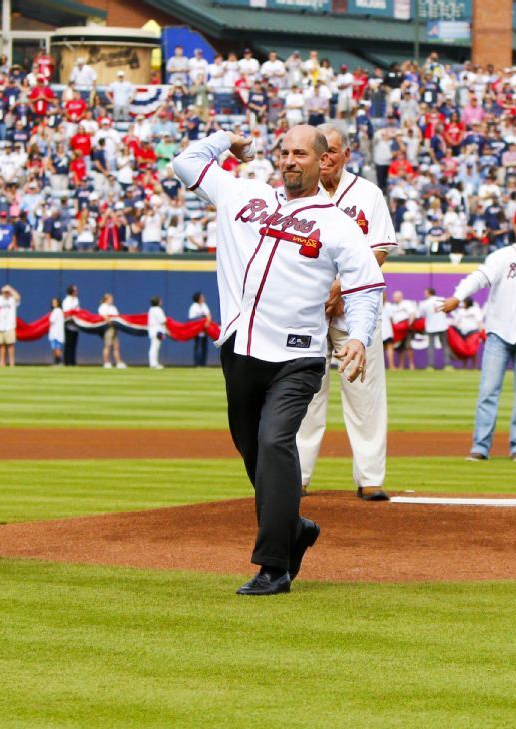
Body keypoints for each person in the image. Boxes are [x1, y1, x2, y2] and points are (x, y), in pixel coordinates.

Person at [173, 125, 384, 596]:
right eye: (284, 152)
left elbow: (366, 286)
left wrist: (361, 337)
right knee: (256, 456)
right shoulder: (243, 194)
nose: (290, 160)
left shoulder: (337, 224)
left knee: (274, 443)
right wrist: (225, 139)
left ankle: (274, 566)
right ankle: (295, 528)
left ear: (323, 161)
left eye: (301, 154)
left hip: (298, 357)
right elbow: (184, 163)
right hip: (240, 350)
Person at [296, 124, 398, 502]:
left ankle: (370, 477)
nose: (325, 160)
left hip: (357, 307)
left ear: (345, 155)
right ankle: (298, 475)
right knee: (305, 392)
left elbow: (381, 250)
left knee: (364, 391)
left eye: (332, 152)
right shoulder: (300, 194)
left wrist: (341, 285)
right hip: (308, 307)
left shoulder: (368, 194)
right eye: (319, 153)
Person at [441, 215, 516, 461]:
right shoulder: (503, 256)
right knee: (488, 392)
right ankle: (481, 448)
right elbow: (479, 277)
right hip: (499, 335)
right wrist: (458, 296)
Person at [419, 287, 449, 370]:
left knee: (431, 346)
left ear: (429, 293)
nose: (424, 294)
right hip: (442, 326)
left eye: (425, 292)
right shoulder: (442, 299)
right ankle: (447, 365)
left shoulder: (424, 303)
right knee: (445, 346)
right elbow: (447, 309)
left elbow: (421, 315)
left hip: (431, 327)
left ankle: (430, 365)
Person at [0, 284, 19, 367]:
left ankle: (12, 363)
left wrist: (10, 289)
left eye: (7, 292)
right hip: (0, 325)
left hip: (9, 326)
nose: (6, 293)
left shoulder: (12, 300)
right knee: (1, 345)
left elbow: (17, 297)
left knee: (10, 345)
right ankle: (2, 362)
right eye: (5, 292)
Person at [98, 293, 123, 368]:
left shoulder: (113, 307)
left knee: (116, 346)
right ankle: (106, 363)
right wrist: (111, 322)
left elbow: (117, 316)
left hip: (115, 328)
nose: (112, 300)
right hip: (108, 328)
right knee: (107, 345)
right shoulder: (102, 307)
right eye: (110, 299)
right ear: (106, 299)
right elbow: (103, 316)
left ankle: (118, 363)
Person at [188, 292, 212, 367]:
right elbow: (191, 318)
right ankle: (197, 364)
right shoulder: (193, 307)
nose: (203, 298)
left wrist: (207, 321)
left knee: (205, 347)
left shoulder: (204, 305)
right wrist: (202, 320)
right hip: (197, 331)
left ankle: (203, 364)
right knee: (198, 347)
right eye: (202, 297)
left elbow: (208, 315)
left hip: (205, 330)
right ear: (198, 298)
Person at [62, 285, 80, 366]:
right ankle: (67, 362)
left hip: (76, 326)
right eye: (75, 290)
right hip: (68, 325)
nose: (77, 292)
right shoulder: (66, 301)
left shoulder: (76, 300)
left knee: (73, 344)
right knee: (68, 344)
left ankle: (72, 362)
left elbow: (78, 311)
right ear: (72, 291)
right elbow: (67, 312)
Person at [147, 296, 166, 369]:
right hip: (157, 330)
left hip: (152, 330)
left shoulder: (151, 309)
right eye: (160, 300)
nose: (161, 302)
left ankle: (153, 363)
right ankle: (154, 363)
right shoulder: (158, 309)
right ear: (157, 302)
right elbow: (163, 321)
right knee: (155, 347)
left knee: (154, 347)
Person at [48, 297, 65, 366]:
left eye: (55, 302)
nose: (53, 304)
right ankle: (56, 362)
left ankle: (59, 362)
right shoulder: (55, 311)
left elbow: (52, 320)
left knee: (57, 348)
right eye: (53, 302)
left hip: (57, 333)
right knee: (54, 348)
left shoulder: (58, 311)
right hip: (54, 333)